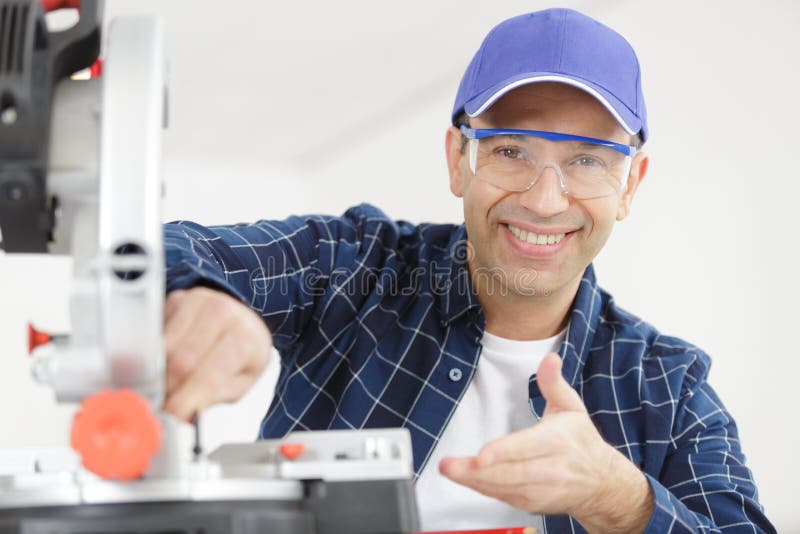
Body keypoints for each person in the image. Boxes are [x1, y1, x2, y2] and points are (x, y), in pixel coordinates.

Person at [161, 8, 774, 533]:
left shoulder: (671, 386)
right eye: (510, 150)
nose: (545, 201)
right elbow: (159, 247)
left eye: (588, 160)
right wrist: (195, 293)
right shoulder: (349, 268)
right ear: (458, 159)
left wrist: (620, 499)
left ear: (630, 185)